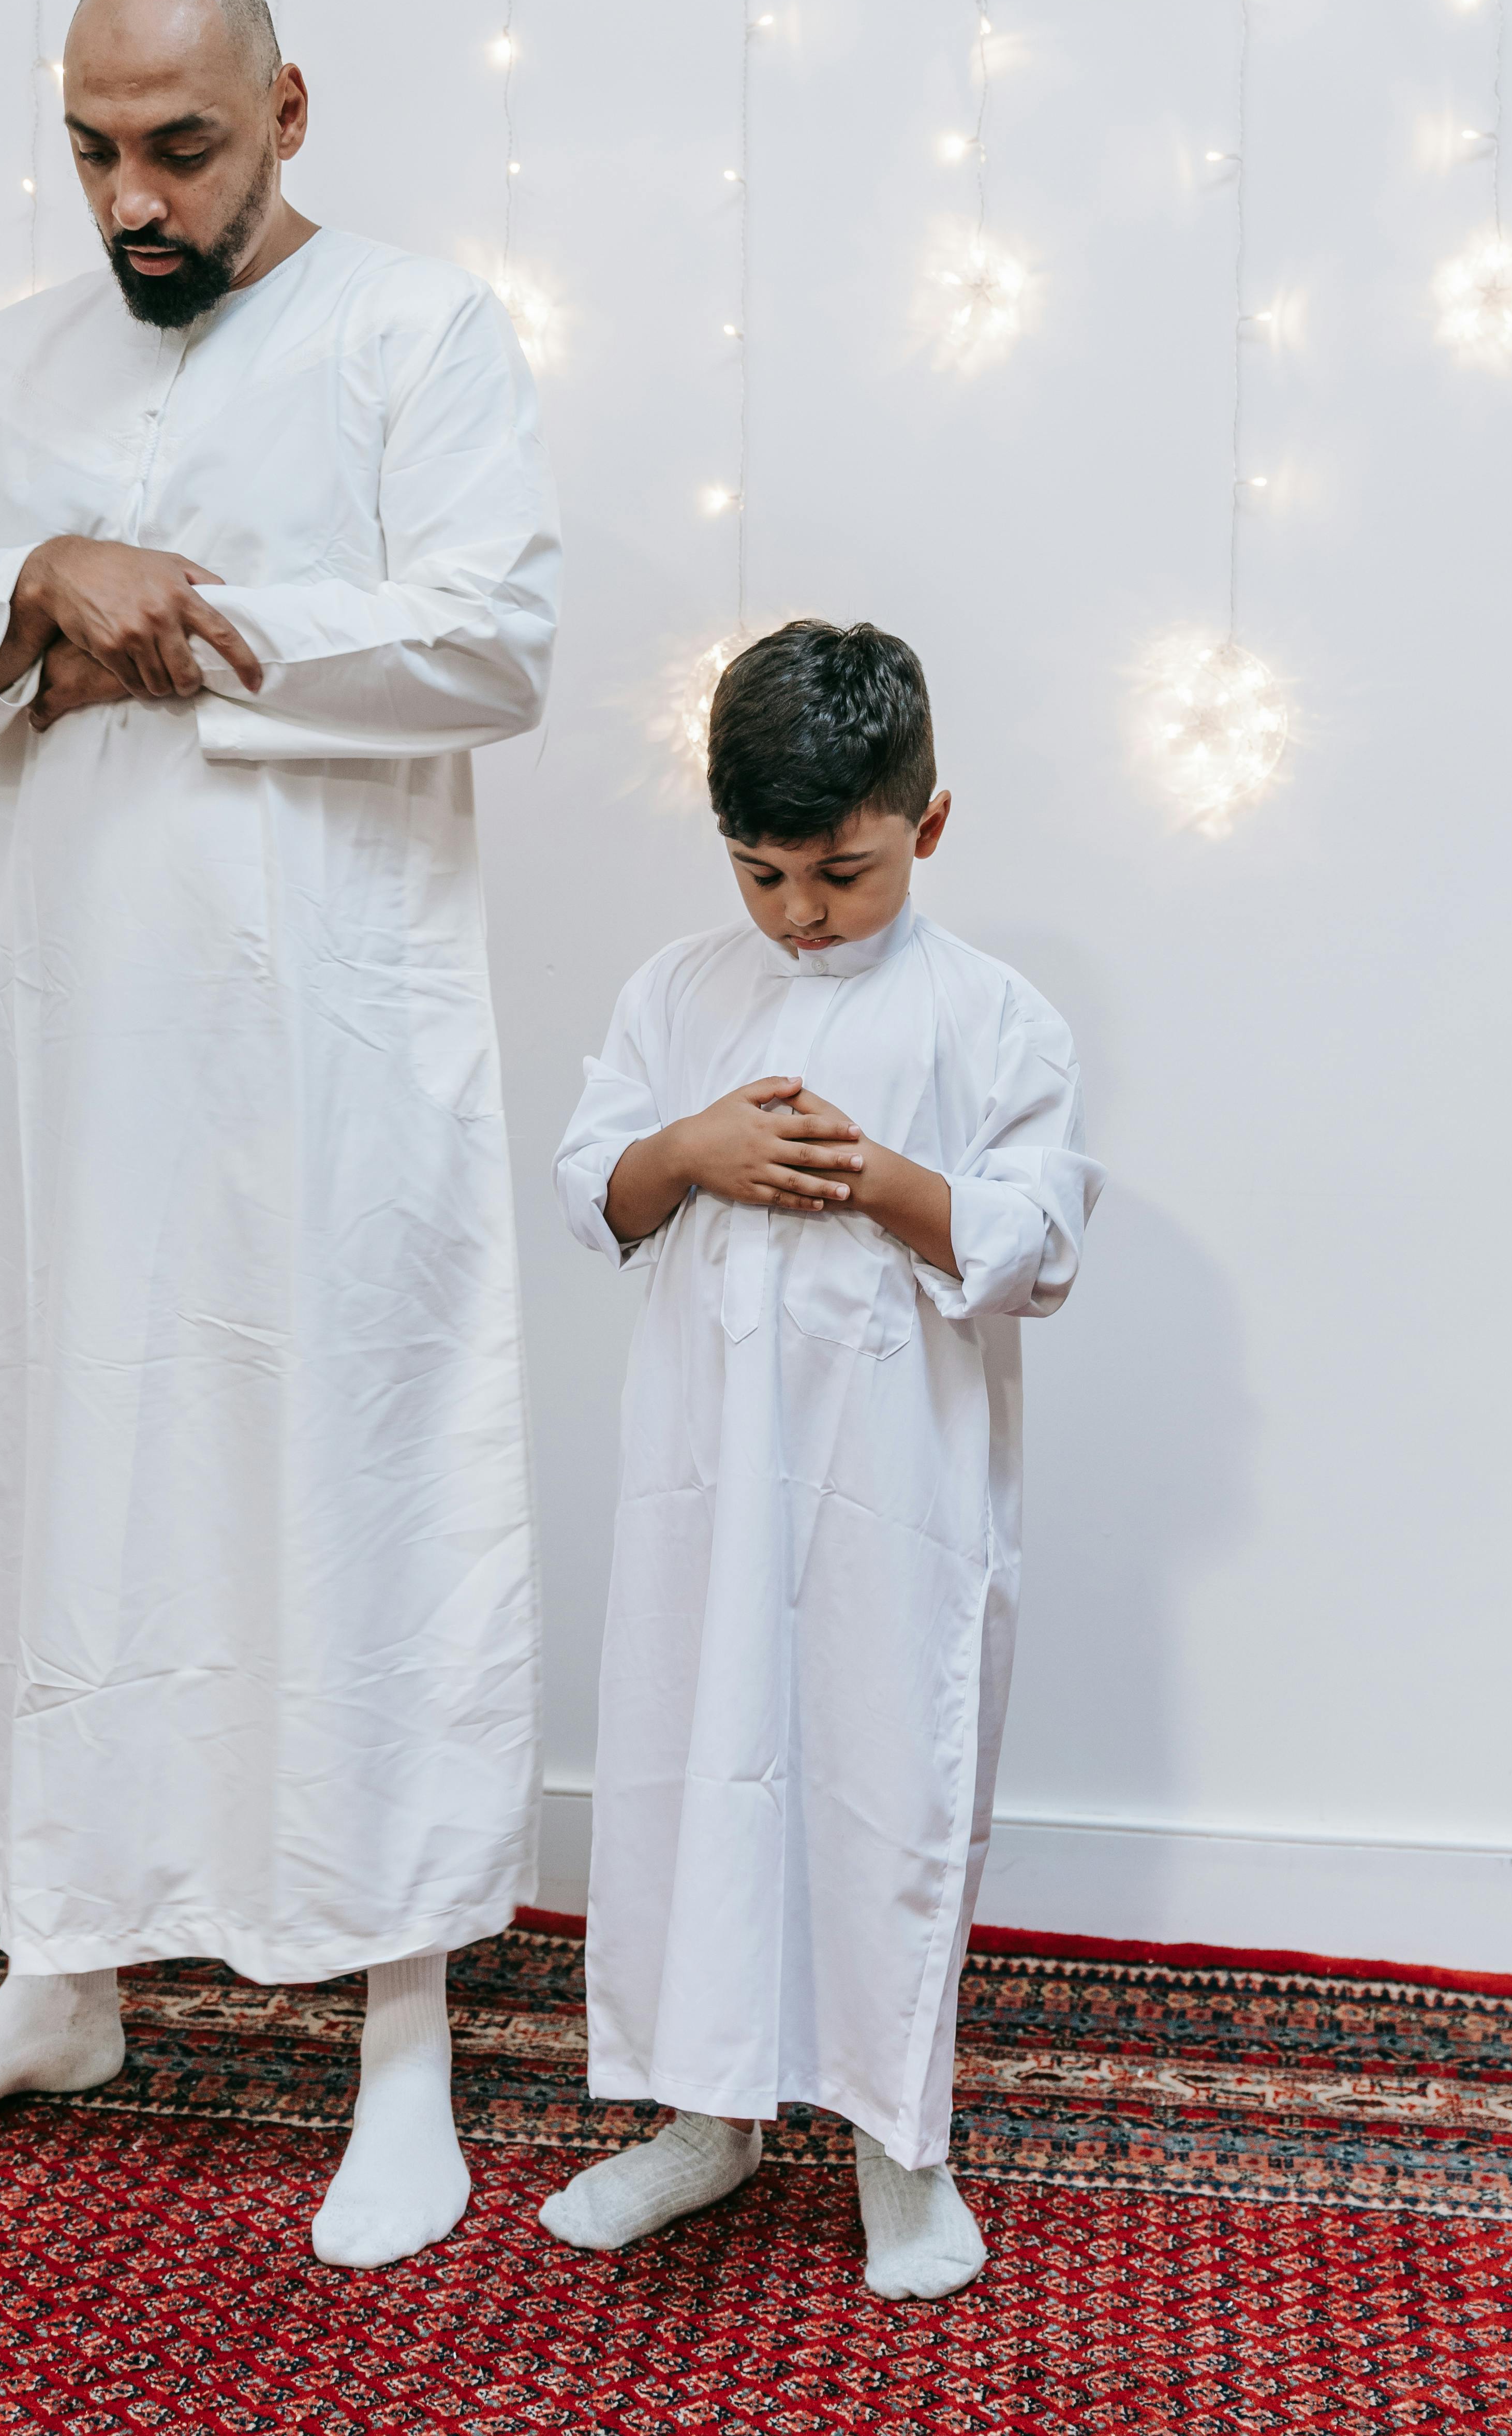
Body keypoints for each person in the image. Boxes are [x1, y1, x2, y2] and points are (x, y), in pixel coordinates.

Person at [0, 0, 559, 2270]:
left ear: (291, 113)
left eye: (182, 148)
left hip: (331, 1054)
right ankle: (63, 1976)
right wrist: (41, 574)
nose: (131, 199)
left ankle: (405, 2030)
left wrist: (182, 609)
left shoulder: (420, 333)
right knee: (79, 1470)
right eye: (91, 151)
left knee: (350, 1479)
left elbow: (494, 641)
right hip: (79, 1051)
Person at [543, 621, 1101, 2297]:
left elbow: (1044, 1239)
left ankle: (897, 2148)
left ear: (927, 826)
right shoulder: (678, 992)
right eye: (762, 873)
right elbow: (597, 1189)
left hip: (894, 1499)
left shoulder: (994, 1019)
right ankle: (702, 2119)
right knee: (690, 1778)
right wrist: (691, 1147)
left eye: (840, 872)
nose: (798, 911)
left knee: (885, 1789)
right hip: (708, 1490)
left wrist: (883, 1182)